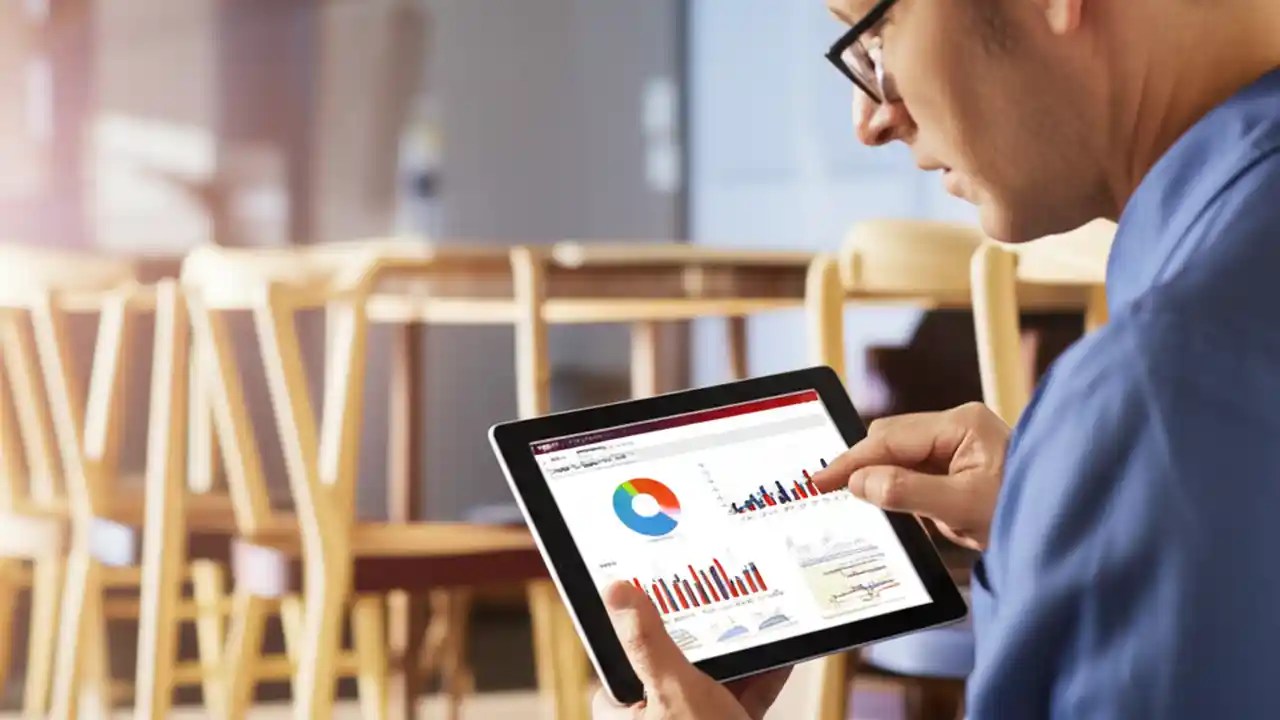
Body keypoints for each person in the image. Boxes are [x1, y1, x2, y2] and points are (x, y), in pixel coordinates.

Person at [593, 0, 1280, 716]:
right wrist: (1054, 515)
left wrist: (1114, 479)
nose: (872, 121)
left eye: (874, 39)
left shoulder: (1158, 392)